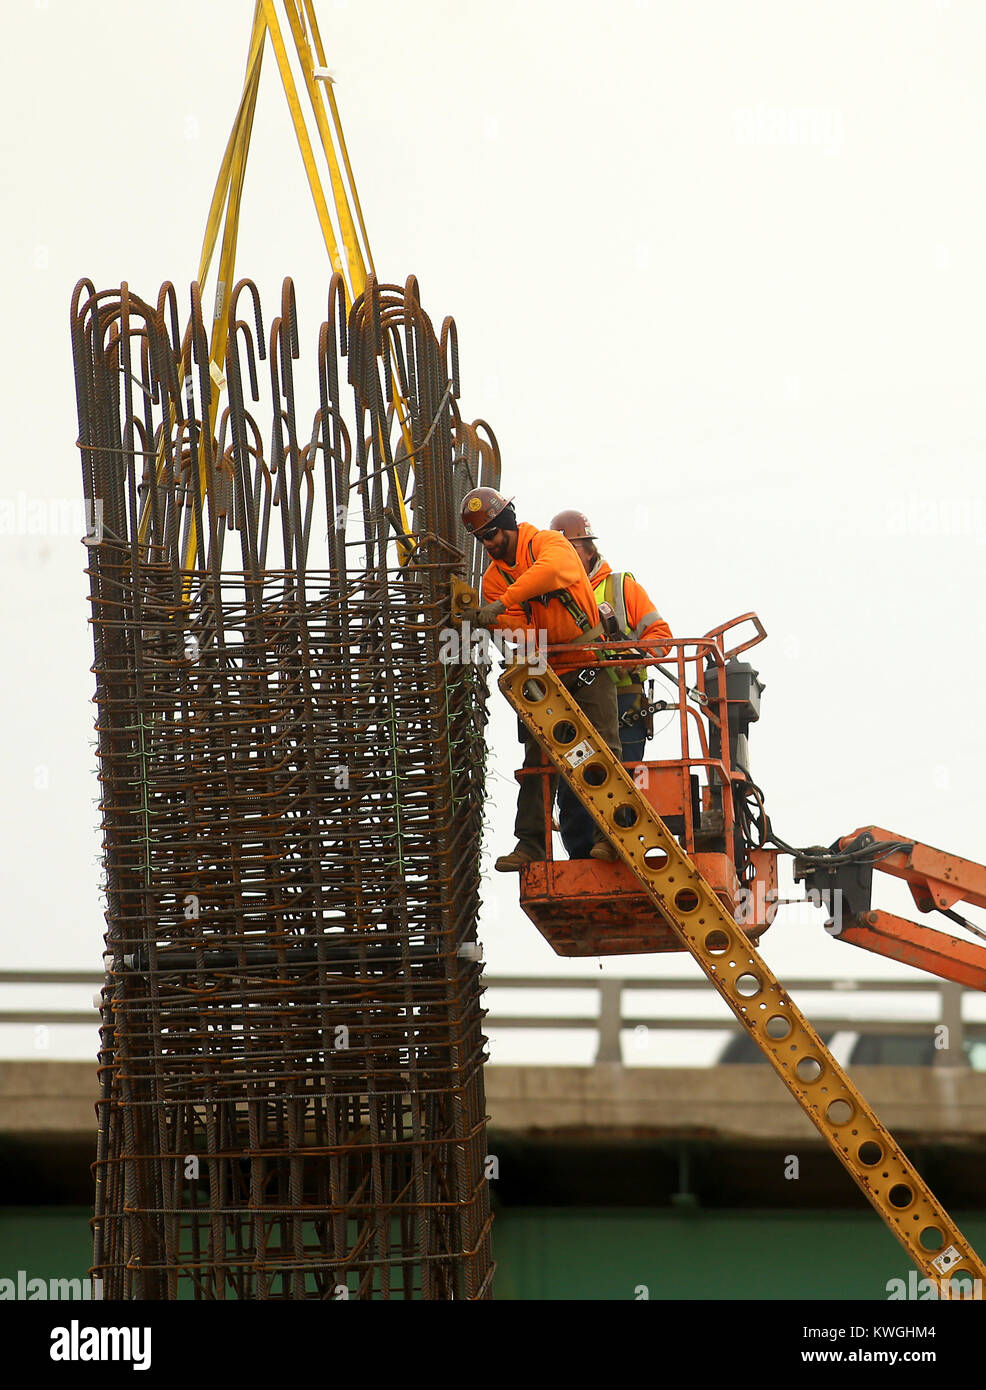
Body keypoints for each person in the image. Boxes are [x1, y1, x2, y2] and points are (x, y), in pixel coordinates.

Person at [461, 487, 623, 870]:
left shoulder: (550, 545)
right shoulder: (493, 579)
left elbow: (550, 573)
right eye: (481, 540)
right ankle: (531, 844)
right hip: (548, 674)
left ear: (507, 526)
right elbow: (522, 637)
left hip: (588, 666)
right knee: (537, 763)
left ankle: (611, 838)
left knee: (604, 754)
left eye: (490, 536)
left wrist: (503, 605)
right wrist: (499, 619)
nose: (488, 546)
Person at [549, 509, 673, 860]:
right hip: (573, 701)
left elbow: (661, 640)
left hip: (622, 700)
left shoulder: (620, 588)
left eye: (570, 548)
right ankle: (581, 857)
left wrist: (623, 650)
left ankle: (614, 844)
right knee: (573, 786)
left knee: (619, 776)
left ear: (588, 549)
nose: (563, 558)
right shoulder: (552, 595)